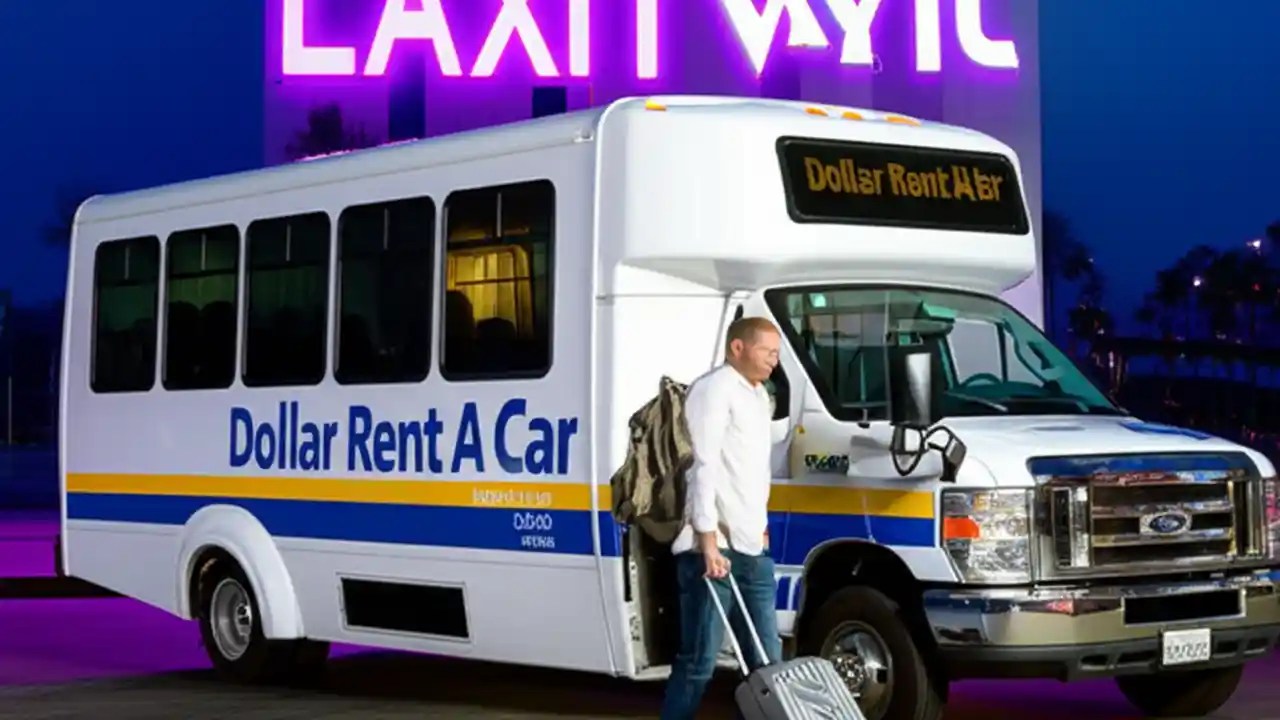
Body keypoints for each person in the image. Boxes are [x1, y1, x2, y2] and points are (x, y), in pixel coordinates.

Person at [660, 315, 784, 720]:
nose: (773, 361)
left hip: (751, 545)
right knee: (699, 661)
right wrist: (708, 542)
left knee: (768, 661)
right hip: (711, 550)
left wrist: (760, 527)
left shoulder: (759, 395)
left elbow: (751, 469)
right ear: (738, 348)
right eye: (767, 351)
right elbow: (703, 465)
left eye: (776, 353)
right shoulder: (713, 390)